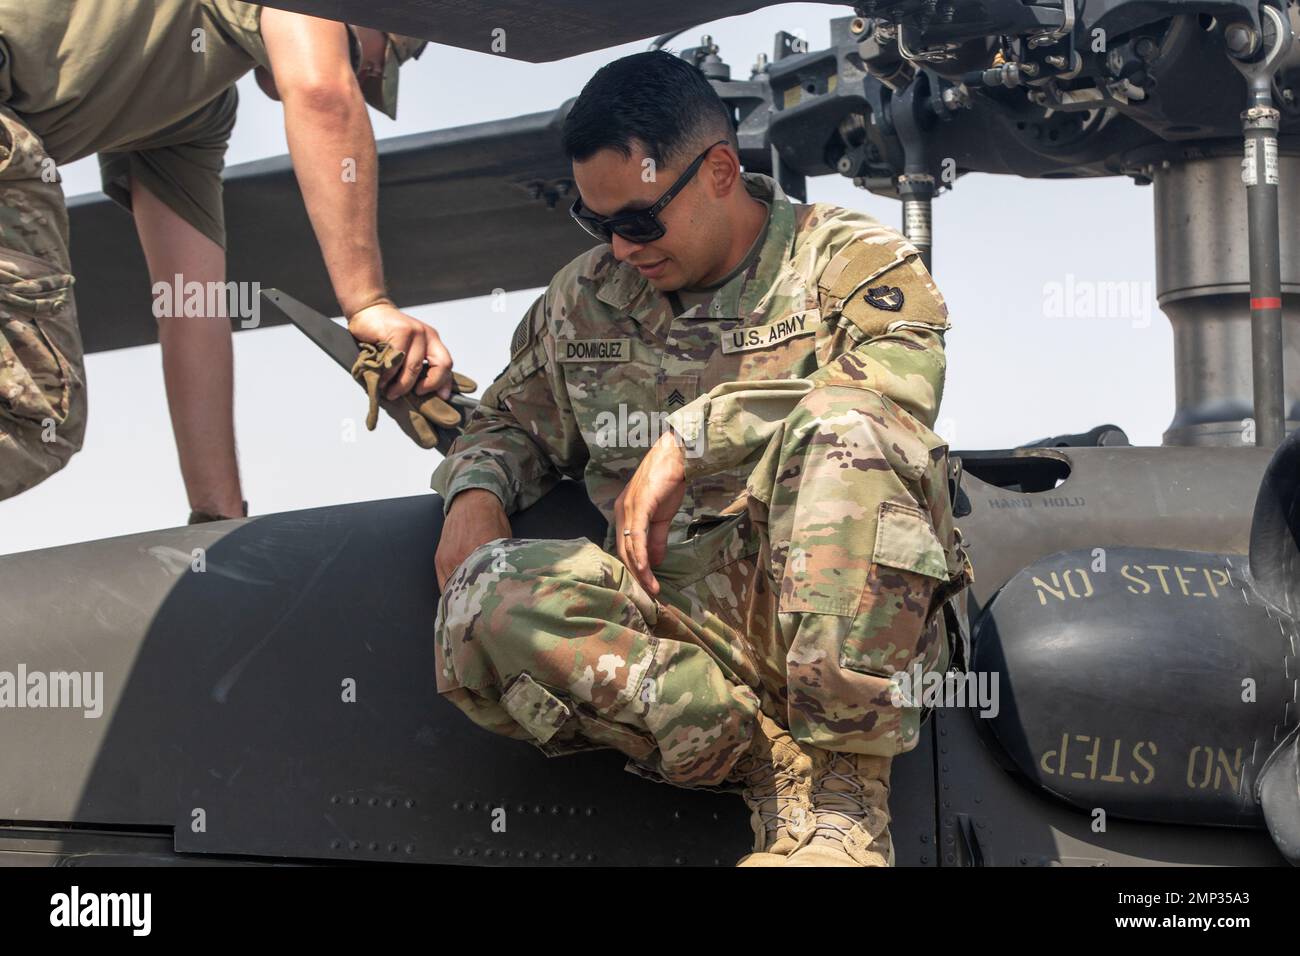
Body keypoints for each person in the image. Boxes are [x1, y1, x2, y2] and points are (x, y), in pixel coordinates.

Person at [432, 50, 972, 866]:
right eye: (597, 223)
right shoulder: (585, 301)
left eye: (640, 221)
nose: (620, 248)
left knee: (852, 433)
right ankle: (766, 764)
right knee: (483, 596)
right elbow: (509, 423)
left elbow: (897, 390)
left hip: (817, 605)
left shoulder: (845, 261)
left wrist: (693, 438)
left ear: (720, 171)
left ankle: (843, 798)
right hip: (670, 631)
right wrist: (475, 492)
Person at [0, 1, 458, 520]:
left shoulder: (192, 109)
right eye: (372, 61)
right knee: (34, 414)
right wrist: (368, 302)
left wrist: (216, 519)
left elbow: (191, 308)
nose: (359, 73)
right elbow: (323, 92)